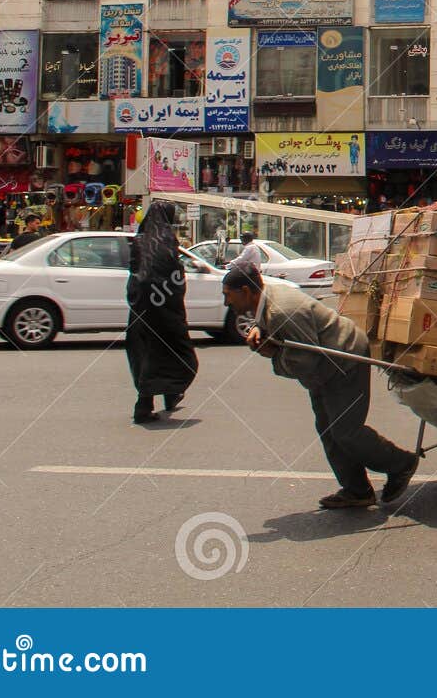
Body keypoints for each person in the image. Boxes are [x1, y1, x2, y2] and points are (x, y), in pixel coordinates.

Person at [227, 264, 420, 510]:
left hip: (345, 359)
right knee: (327, 428)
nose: (226, 302)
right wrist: (258, 328)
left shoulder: (281, 311)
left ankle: (401, 464)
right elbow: (279, 332)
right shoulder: (268, 300)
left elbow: (305, 361)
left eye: (228, 295)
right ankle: (357, 489)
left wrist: (273, 356)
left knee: (346, 430)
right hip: (325, 371)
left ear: (245, 291)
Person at [124, 199, 199, 424]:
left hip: (142, 311)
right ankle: (165, 395)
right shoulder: (168, 240)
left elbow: (135, 275)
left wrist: (137, 300)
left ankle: (151, 401)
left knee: (146, 355)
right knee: (176, 353)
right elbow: (175, 274)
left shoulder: (138, 241)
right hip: (165, 310)